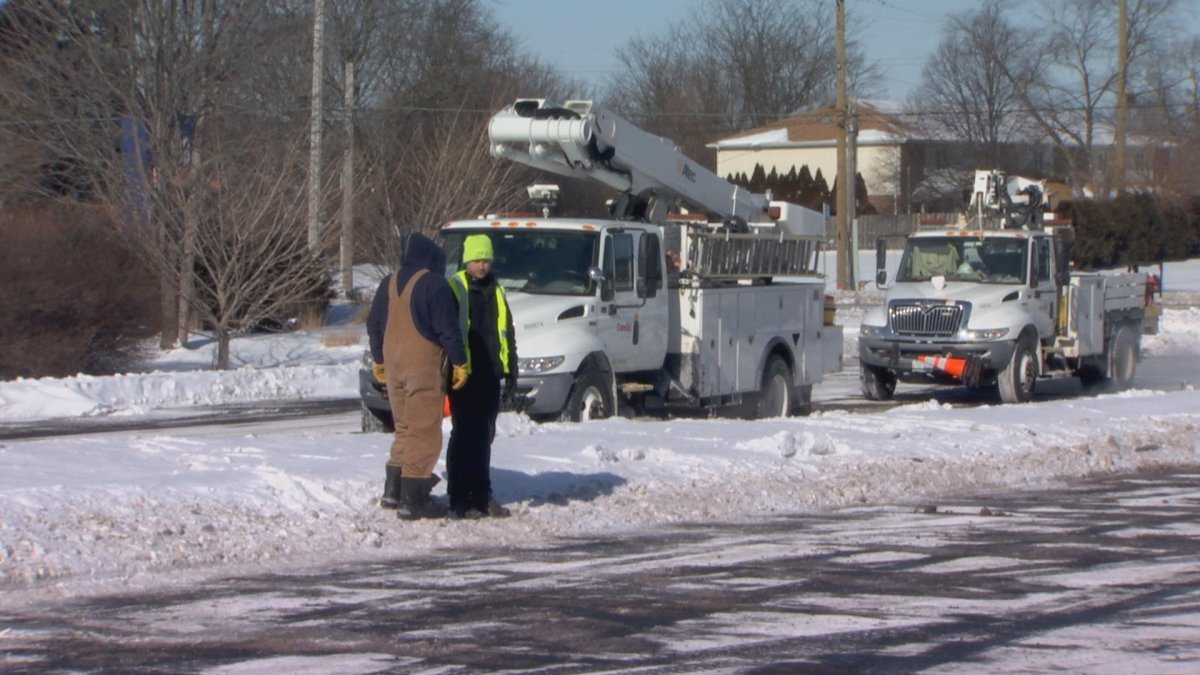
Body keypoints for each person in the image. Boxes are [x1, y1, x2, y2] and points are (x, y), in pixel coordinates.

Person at [366, 233, 468, 520]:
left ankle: (393, 491)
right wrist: (460, 362)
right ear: (434, 260)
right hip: (421, 365)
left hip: (394, 364)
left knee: (404, 427)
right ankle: (415, 499)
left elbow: (374, 325)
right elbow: (448, 330)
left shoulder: (389, 282)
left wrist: (379, 359)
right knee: (424, 429)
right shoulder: (435, 284)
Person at [446, 234, 518, 519]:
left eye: (485, 259)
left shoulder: (497, 290)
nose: (482, 265)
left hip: (490, 374)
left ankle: (482, 494)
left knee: (484, 435)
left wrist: (512, 370)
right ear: (467, 261)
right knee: (464, 435)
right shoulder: (456, 288)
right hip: (464, 374)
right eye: (477, 260)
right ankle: (459, 496)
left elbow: (507, 333)